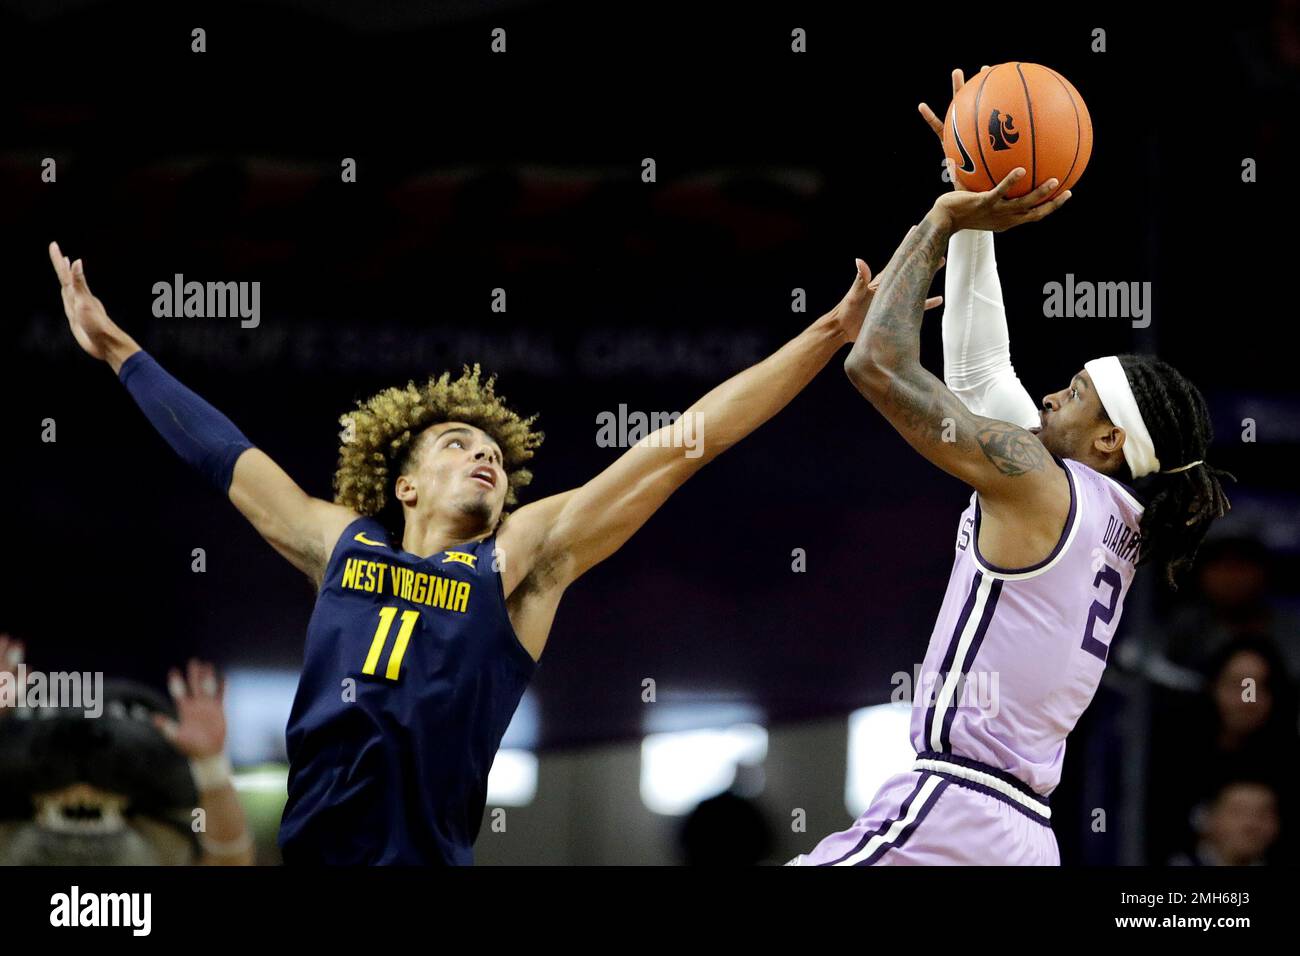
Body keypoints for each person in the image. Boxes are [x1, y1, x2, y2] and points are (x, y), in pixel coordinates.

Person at [46, 240, 938, 865]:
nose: (484, 458)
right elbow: (222, 453)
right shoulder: (336, 542)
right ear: (402, 485)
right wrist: (121, 349)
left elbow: (681, 444)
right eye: (459, 444)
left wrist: (828, 332)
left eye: (496, 459)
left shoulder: (520, 563)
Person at [788, 69, 1231, 866]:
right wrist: (974, 189)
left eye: (1078, 392)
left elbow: (877, 366)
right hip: (1022, 835)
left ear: (1108, 442)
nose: (1054, 392)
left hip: (955, 809)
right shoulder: (1112, 512)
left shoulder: (1040, 479)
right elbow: (981, 369)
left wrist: (939, 218)